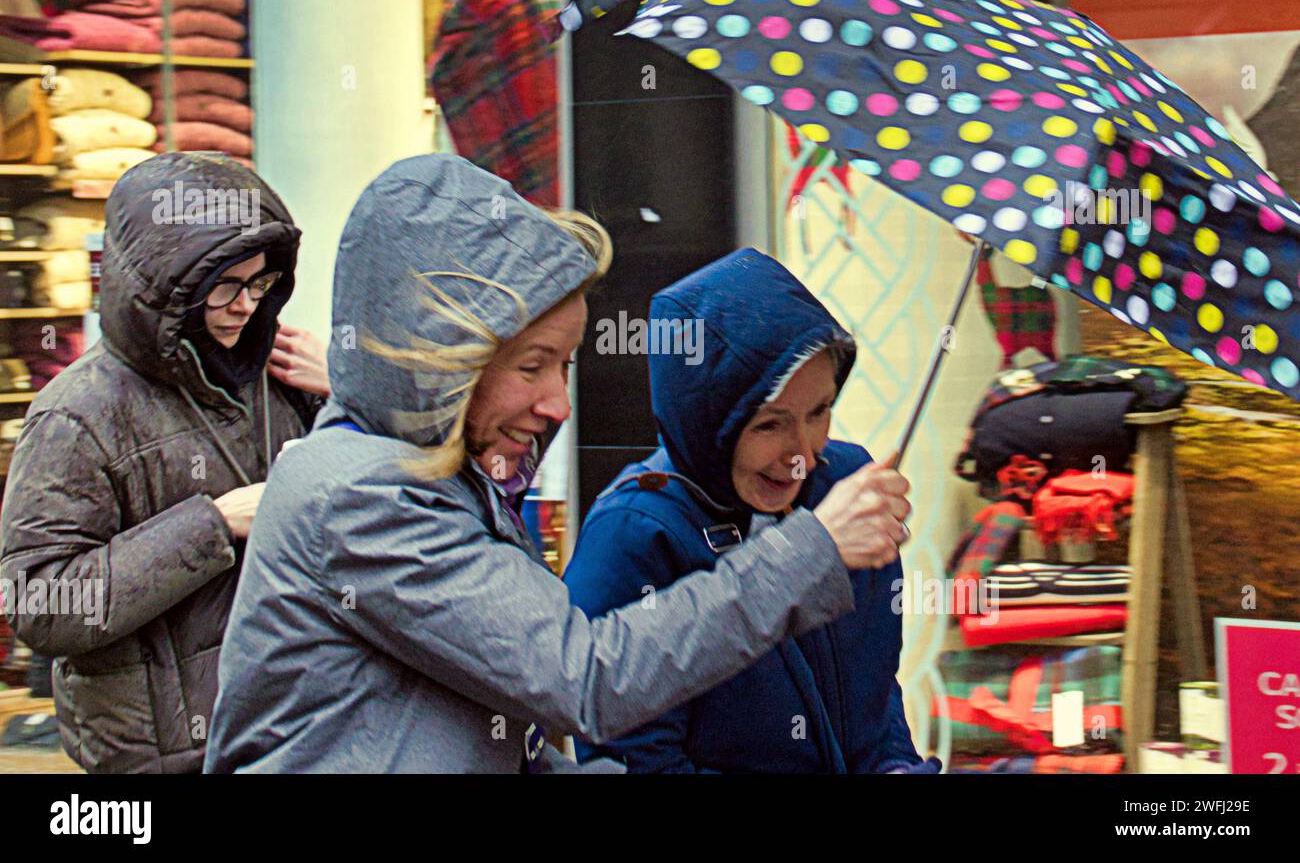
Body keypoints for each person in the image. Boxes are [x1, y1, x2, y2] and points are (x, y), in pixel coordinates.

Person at [204, 154, 912, 773]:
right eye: (532, 365)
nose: (558, 403)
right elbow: (589, 676)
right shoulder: (364, 496)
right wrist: (811, 550)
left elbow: (493, 733)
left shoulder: (444, 483)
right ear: (442, 358)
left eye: (565, 364)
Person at [0, 152, 330, 774]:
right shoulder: (75, 417)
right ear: (163, 285)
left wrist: (345, 390)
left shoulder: (284, 377)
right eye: (224, 287)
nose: (244, 306)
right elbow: (40, 605)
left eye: (260, 284)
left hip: (292, 731)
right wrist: (213, 524)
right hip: (156, 761)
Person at [564, 249, 937, 773]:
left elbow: (875, 699)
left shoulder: (846, 484)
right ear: (704, 417)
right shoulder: (634, 534)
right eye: (769, 424)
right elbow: (634, 761)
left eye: (820, 411)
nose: (802, 454)